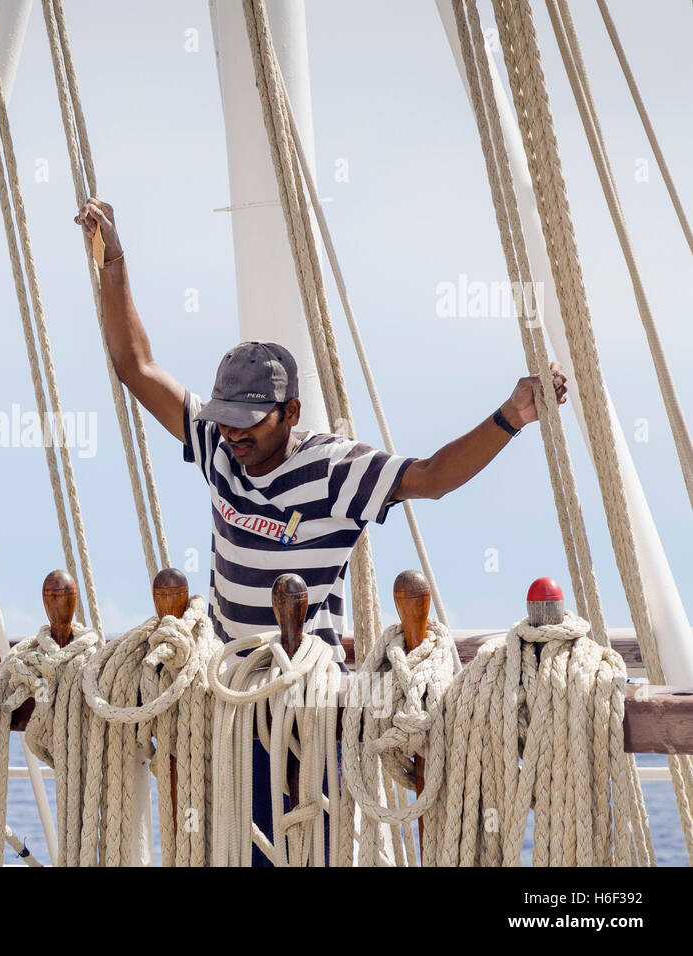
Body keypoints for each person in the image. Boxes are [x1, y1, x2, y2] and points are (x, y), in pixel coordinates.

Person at [74, 197, 568, 863]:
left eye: (249, 418)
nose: (233, 432)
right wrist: (115, 261)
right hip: (232, 702)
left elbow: (430, 477)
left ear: (291, 411)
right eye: (225, 416)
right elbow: (136, 366)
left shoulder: (333, 469)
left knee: (312, 852)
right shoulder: (220, 447)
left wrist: (510, 416)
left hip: (314, 709)